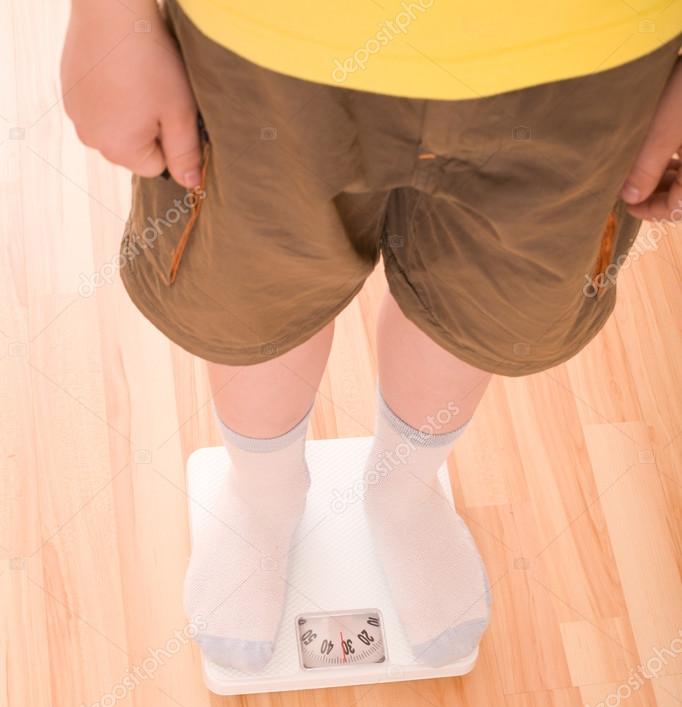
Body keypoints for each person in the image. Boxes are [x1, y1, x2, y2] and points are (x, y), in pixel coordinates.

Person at [61, 0, 682, 672]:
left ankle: (402, 491)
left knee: (486, 311)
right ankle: (263, 495)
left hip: (593, 52)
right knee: (255, 295)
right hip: (266, 35)